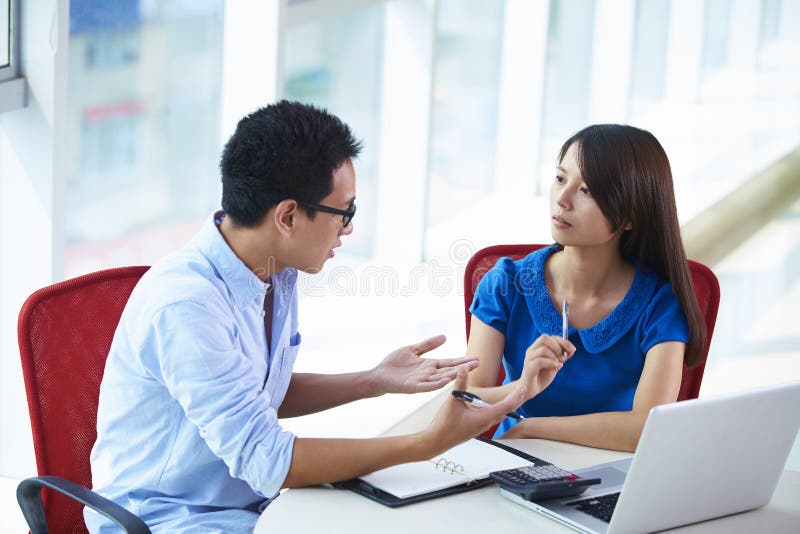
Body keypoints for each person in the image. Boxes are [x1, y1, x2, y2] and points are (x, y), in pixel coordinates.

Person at [85, 101, 561, 533]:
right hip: (168, 519)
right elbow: (268, 460)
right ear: (288, 217)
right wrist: (425, 443)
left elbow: (257, 392)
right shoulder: (187, 307)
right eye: (343, 212)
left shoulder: (276, 271)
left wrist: (373, 380)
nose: (349, 228)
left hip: (251, 505)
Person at [465, 124, 707, 452]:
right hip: (516, 467)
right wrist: (522, 388)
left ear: (631, 215)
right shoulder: (505, 283)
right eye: (561, 178)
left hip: (614, 474)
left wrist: (532, 428)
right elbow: (466, 401)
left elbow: (647, 427)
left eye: (587, 190)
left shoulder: (660, 304)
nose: (562, 199)